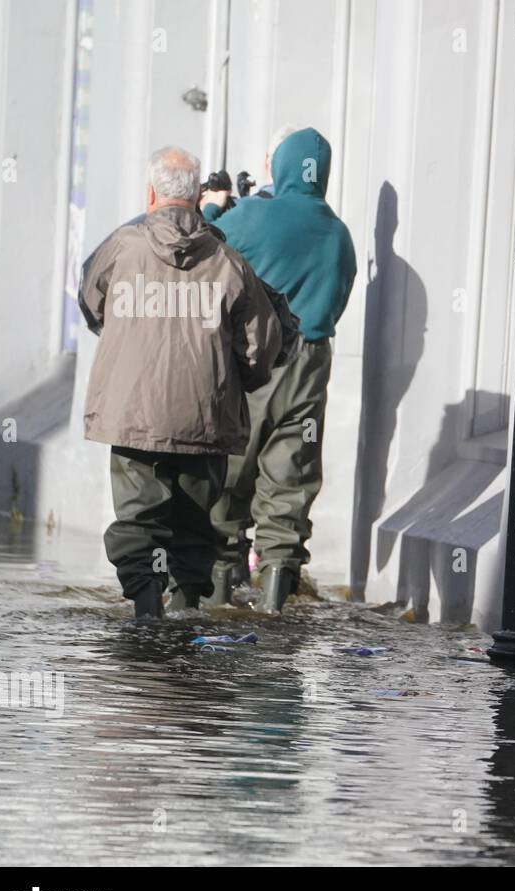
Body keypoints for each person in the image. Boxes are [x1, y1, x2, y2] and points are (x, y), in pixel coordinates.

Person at [78, 146, 283, 618]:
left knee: (138, 519)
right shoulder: (229, 262)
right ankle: (186, 605)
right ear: (195, 197)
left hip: (132, 416)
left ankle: (148, 611)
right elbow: (261, 345)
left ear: (150, 192)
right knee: (194, 521)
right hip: (203, 418)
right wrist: (237, 381)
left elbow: (91, 305)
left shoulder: (120, 249)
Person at [199, 127, 357, 611]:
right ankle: (273, 606)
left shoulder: (254, 216)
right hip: (311, 369)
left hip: (255, 364)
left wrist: (210, 207)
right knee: (290, 483)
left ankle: (220, 599)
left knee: (228, 482)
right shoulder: (339, 234)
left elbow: (202, 250)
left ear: (281, 166)